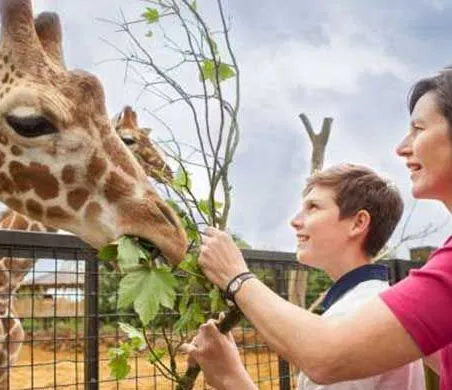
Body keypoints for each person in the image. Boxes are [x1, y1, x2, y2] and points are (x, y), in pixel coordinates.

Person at [183, 69, 452, 390]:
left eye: (418, 128)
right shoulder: (383, 308)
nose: (401, 148)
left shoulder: (354, 315)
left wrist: (236, 279)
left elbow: (328, 355)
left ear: (359, 222)